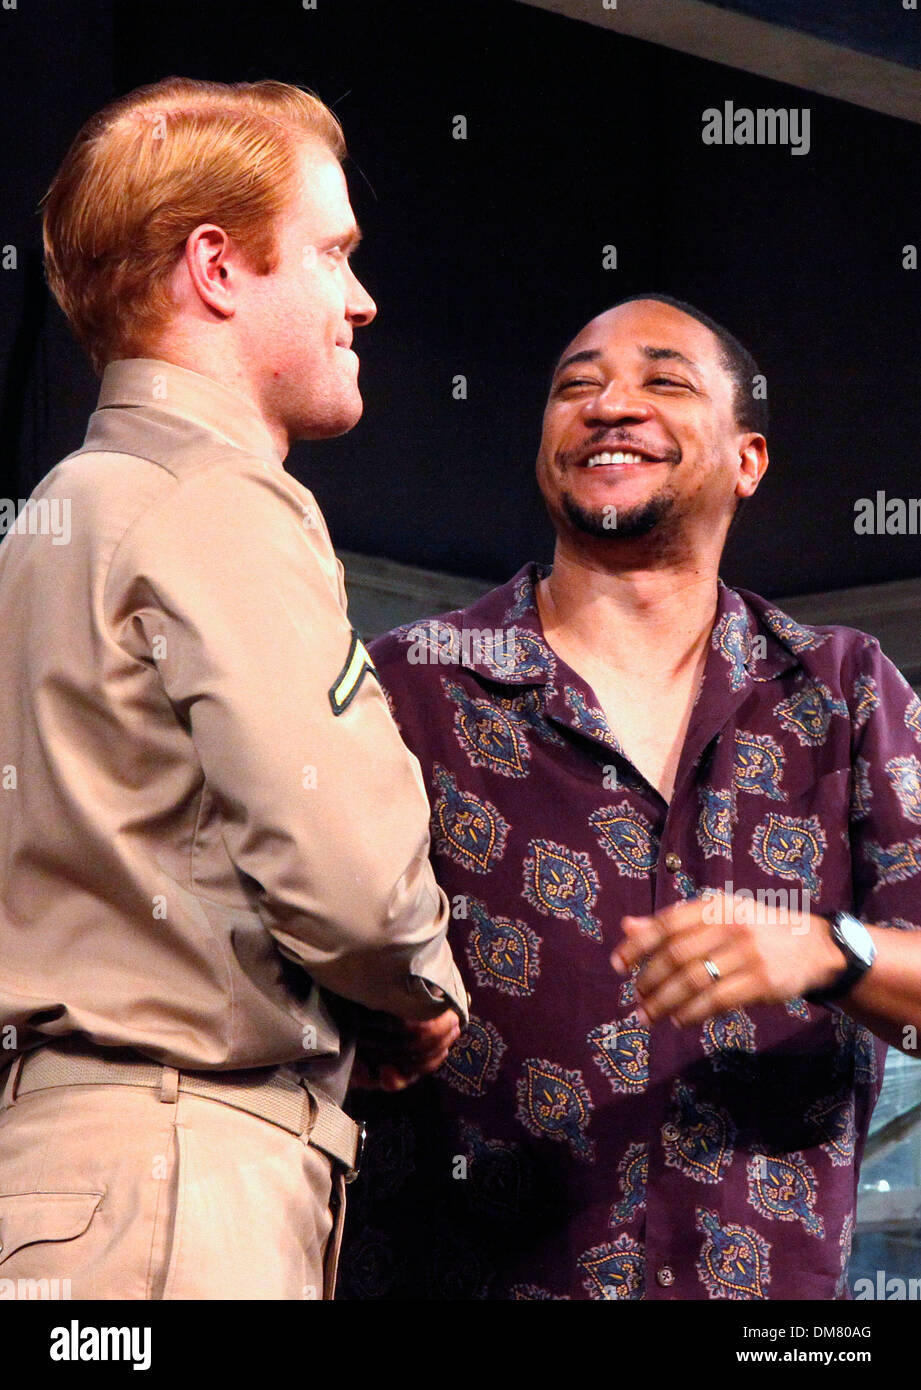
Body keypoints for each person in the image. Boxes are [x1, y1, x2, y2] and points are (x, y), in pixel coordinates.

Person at [340, 294, 921, 1301]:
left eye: (664, 381)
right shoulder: (413, 686)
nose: (611, 404)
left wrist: (834, 948)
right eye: (577, 387)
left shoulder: (846, 690)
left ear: (749, 459)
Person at [0, 76, 465, 1301]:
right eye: (332, 253)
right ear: (216, 268)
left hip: (67, 1181)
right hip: (176, 1186)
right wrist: (415, 989)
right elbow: (354, 887)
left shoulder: (55, 514)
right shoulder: (217, 495)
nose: (360, 298)